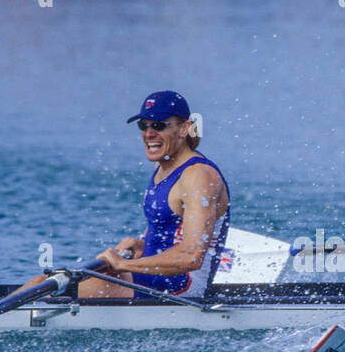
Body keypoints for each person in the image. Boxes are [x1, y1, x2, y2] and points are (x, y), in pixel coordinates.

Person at [18, 90, 229, 299]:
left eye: (159, 125)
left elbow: (191, 257)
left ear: (184, 128)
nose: (148, 134)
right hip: (156, 279)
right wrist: (141, 245)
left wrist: (123, 264)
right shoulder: (164, 165)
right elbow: (171, 229)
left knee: (43, 290)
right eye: (143, 125)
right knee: (41, 283)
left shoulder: (198, 176)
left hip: (182, 289)